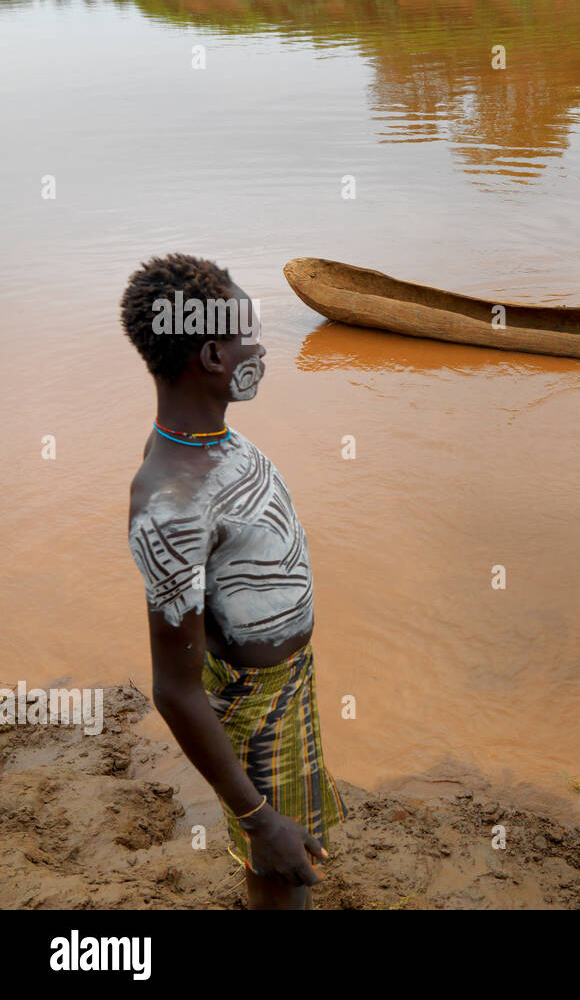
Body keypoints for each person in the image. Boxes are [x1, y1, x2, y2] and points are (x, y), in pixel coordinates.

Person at [123, 253, 346, 909]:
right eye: (251, 332)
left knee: (291, 857)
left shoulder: (208, 442)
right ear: (215, 356)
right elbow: (174, 687)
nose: (263, 347)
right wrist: (256, 818)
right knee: (281, 870)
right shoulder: (170, 499)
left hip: (285, 683)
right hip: (254, 706)